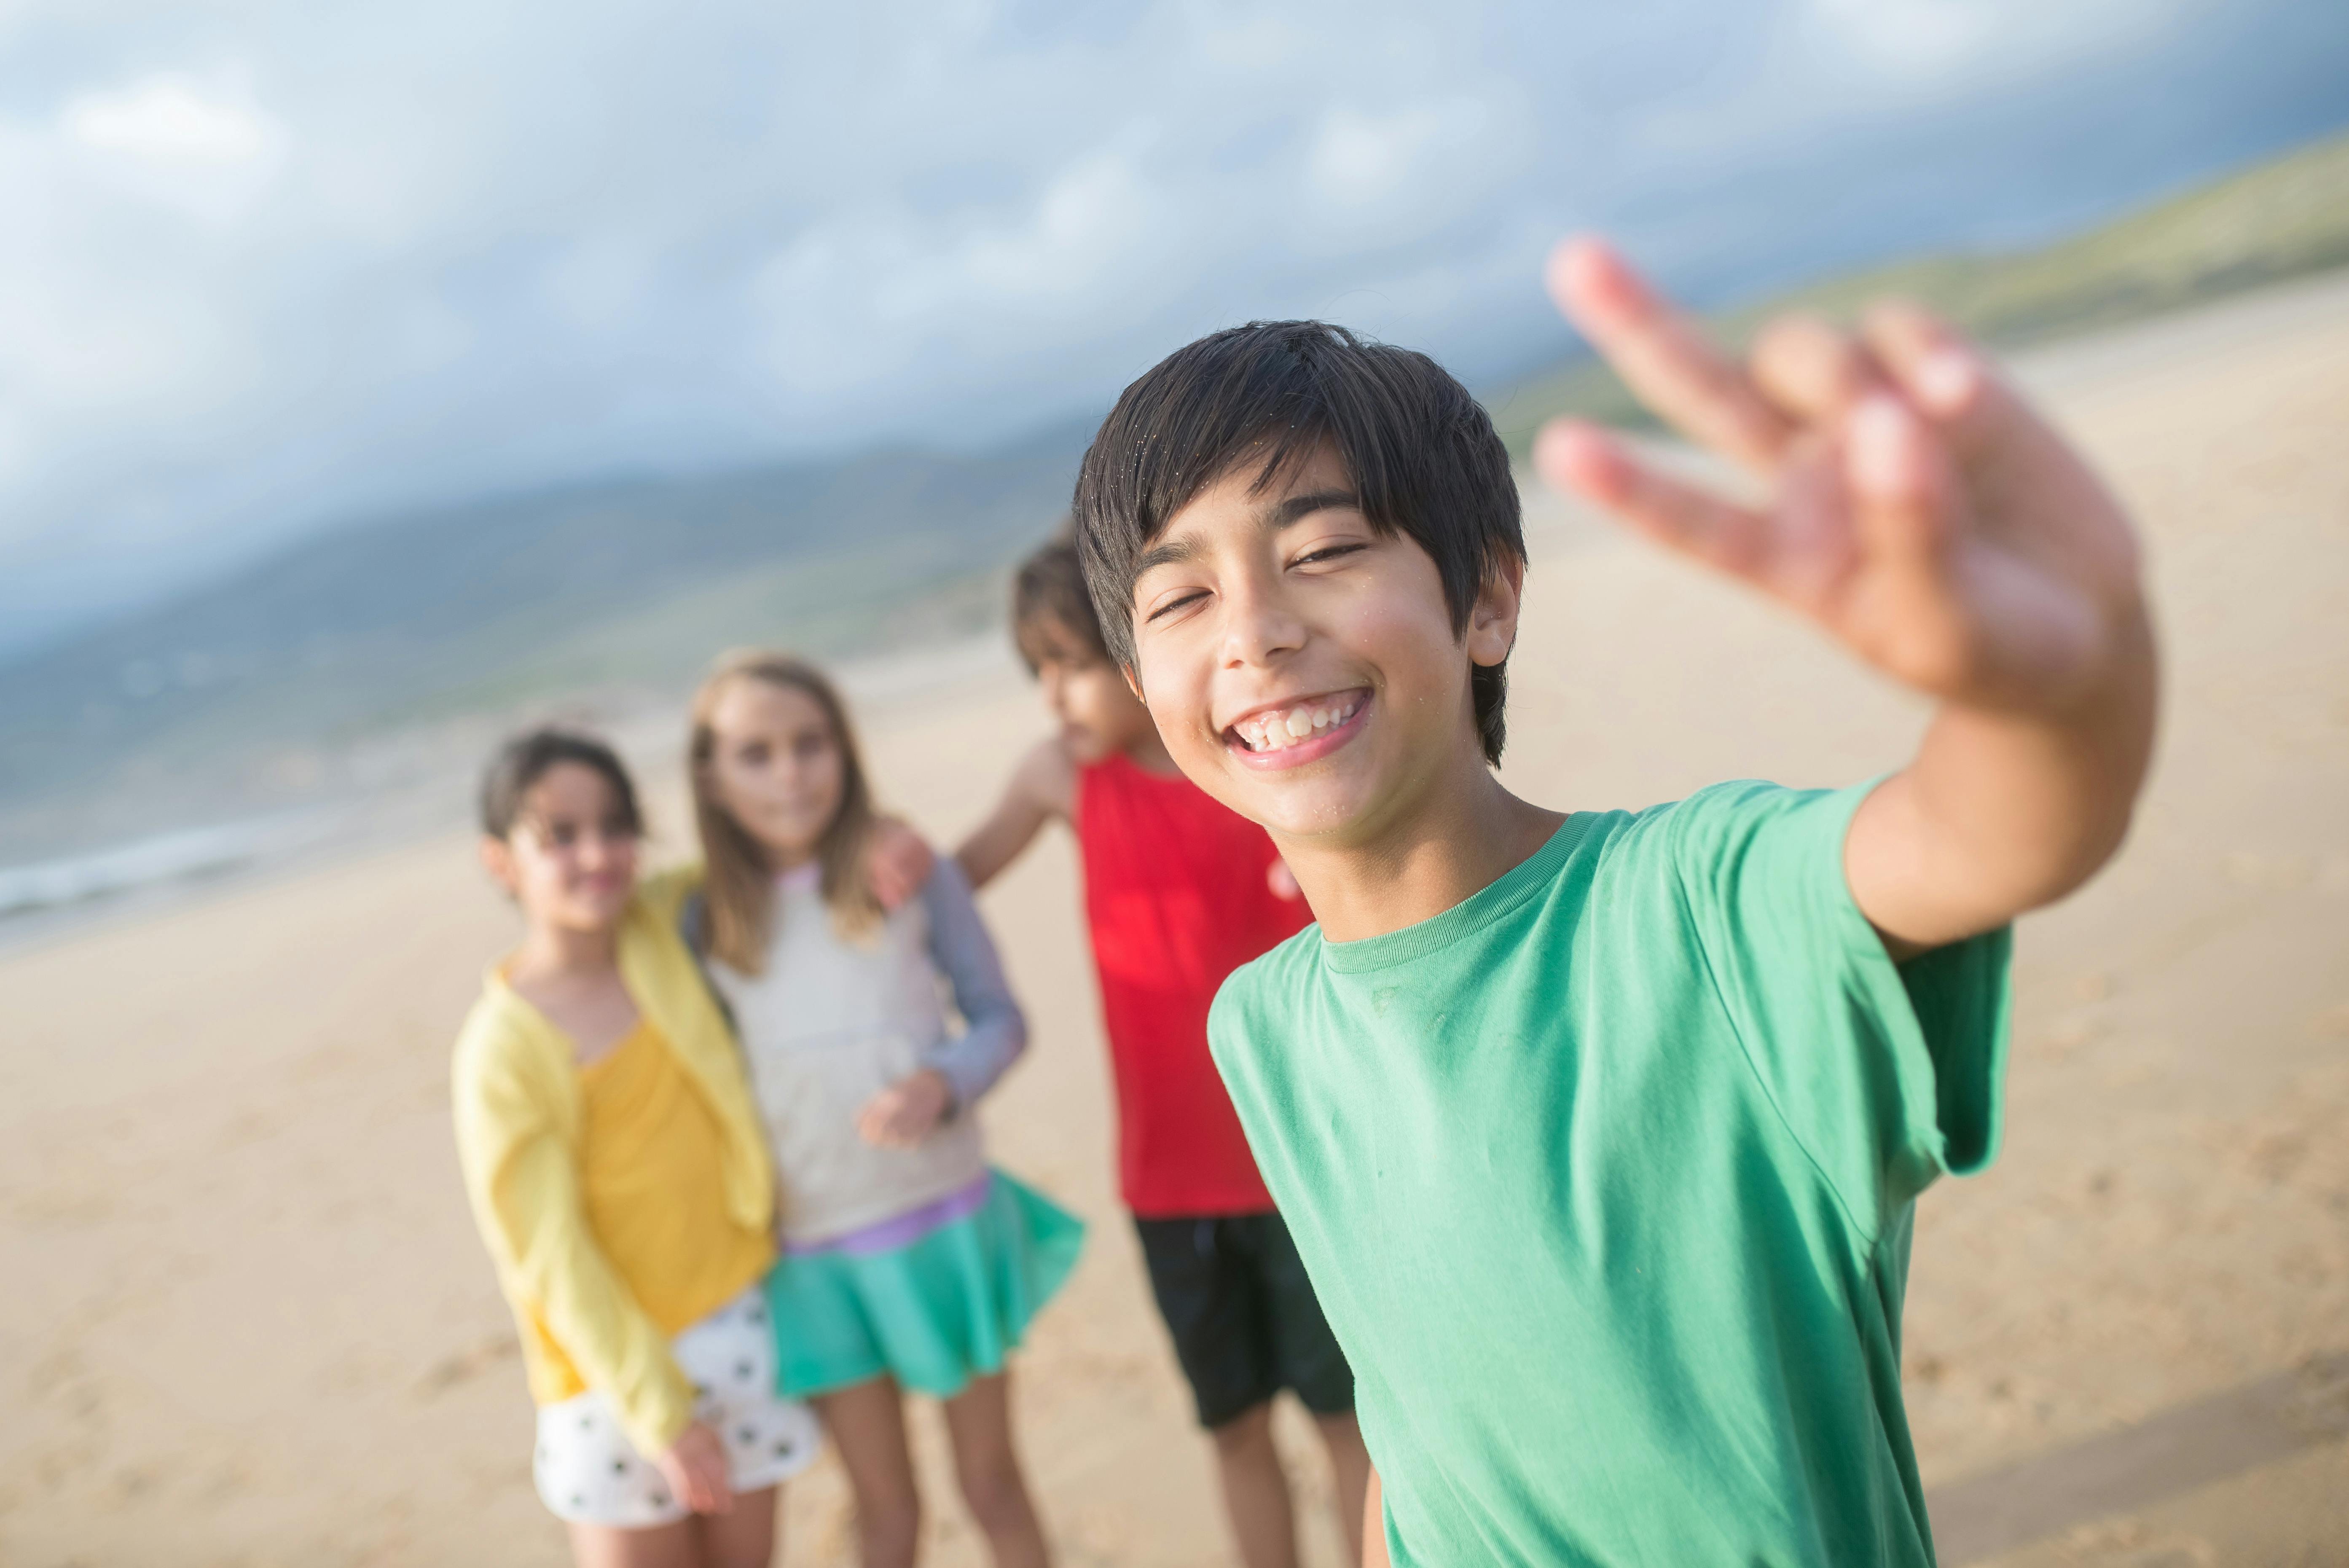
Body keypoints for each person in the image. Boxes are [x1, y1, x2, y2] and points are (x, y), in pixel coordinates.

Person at [1066, 236, 2158, 1565]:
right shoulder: (1263, 1025)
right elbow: (1415, 1410)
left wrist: (2057, 685)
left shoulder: (1695, 913)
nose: (1251, 632)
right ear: (1142, 686)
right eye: (1181, 595)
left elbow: (1993, 837)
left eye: (1324, 549)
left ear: (1485, 597)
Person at [956, 536, 1372, 1568]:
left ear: (1137, 654)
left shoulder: (1250, 758)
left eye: (1071, 665)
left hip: (1304, 1160)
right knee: (1234, 1428)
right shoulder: (1064, 778)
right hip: (1170, 1185)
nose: (1054, 696)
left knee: (1345, 1422)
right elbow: (951, 883)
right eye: (1038, 670)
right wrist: (880, 864)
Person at [679, 650, 1082, 1568]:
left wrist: (943, 1082)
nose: (790, 774)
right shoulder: (702, 921)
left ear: (845, 749)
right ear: (709, 774)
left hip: (945, 1225)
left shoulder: (911, 875)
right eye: (755, 754)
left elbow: (1000, 1019)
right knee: (886, 1513)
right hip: (813, 1255)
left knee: (992, 1485)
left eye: (810, 743)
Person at [451, 728, 820, 1568]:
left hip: (740, 1327)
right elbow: (549, 1258)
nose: (597, 855)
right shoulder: (502, 1049)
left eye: (615, 826)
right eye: (560, 835)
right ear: (501, 861)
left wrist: (885, 836)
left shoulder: (658, 924)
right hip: (611, 1385)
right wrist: (660, 1416)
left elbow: (769, 854)